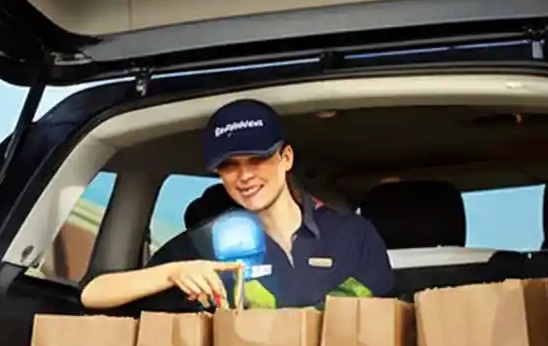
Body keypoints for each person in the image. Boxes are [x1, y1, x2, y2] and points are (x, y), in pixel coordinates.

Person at [80, 99, 394, 311]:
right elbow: (93, 294)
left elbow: (377, 329)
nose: (244, 176)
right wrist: (173, 273)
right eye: (229, 165)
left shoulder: (353, 235)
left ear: (286, 158)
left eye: (257, 159)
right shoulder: (205, 245)